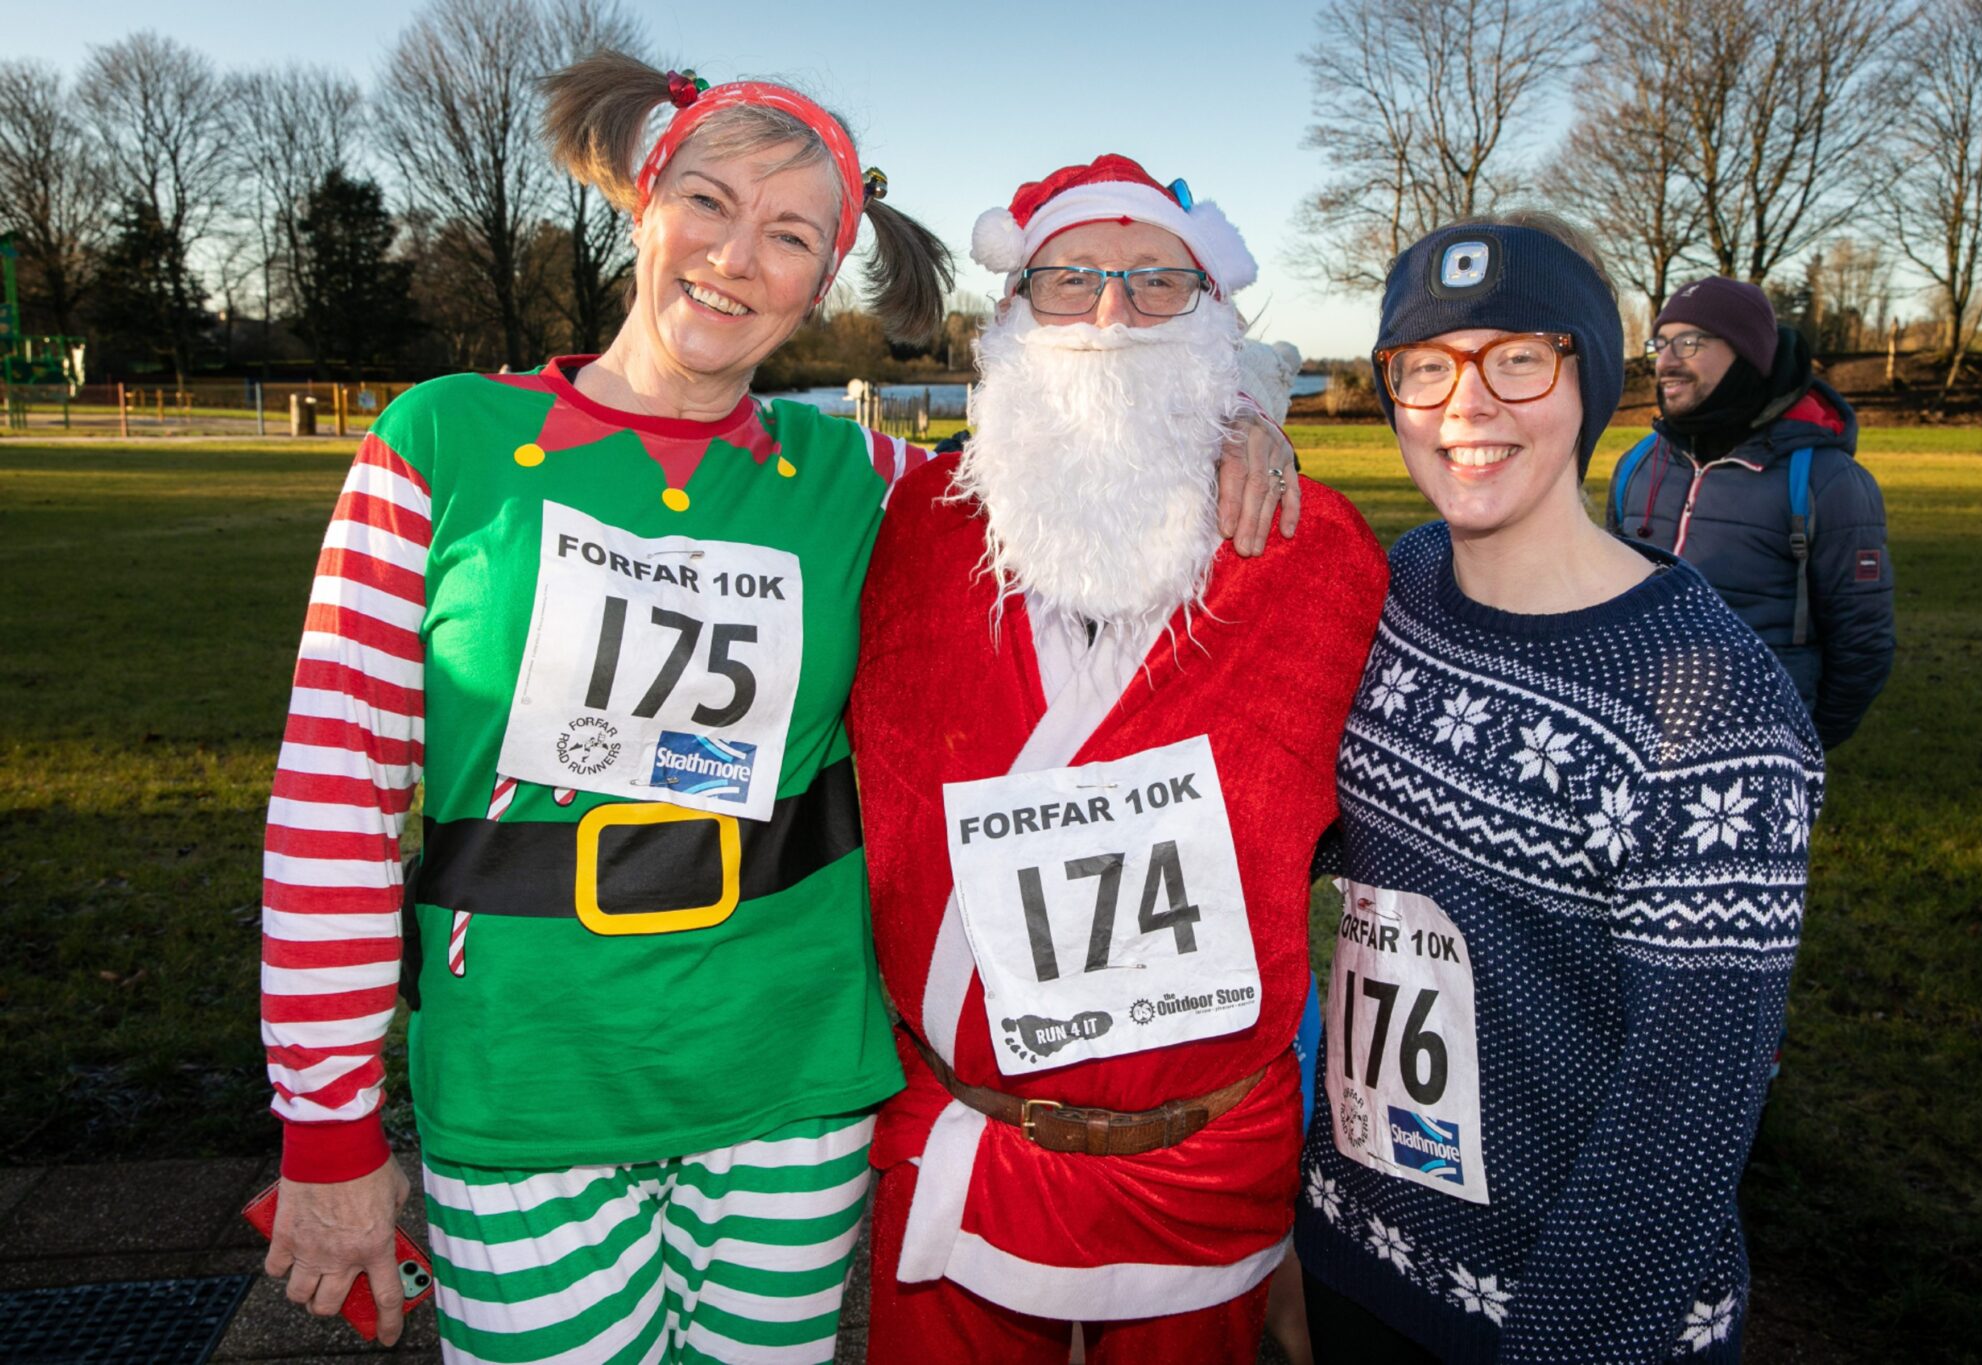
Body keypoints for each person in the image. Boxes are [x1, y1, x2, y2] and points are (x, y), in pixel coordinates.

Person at [255, 61, 1296, 1362]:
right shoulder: (440, 442)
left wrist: (1240, 407)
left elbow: (1089, 434)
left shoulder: (866, 478)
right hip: (527, 1080)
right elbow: (334, 800)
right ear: (644, 204)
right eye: (709, 201)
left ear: (822, 283)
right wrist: (328, 1129)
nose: (736, 256)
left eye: (791, 235)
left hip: (791, 1090)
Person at [848, 154, 1389, 1364]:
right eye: (1068, 278)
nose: (1107, 312)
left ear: (1214, 317)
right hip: (966, 1140)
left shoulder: (1313, 552)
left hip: (1200, 1159)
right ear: (1008, 310)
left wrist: (1253, 416)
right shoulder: (909, 527)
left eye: (1156, 282)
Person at [1292, 216, 1824, 1363]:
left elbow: (1682, 1116)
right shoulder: (1401, 586)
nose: (1465, 407)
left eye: (1518, 359)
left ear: (1591, 382)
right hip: (1349, 1257)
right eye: (1425, 367)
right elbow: (1306, 830)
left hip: (1559, 1312)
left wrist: (1565, 1340)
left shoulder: (1707, 709)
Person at [1608, 276, 1894, 749]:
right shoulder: (1638, 464)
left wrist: (1804, 746)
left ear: (1748, 352)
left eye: (1689, 342)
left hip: (1760, 753)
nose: (1667, 361)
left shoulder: (1826, 481)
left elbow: (1863, 642)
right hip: (1633, 737)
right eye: (1660, 343)